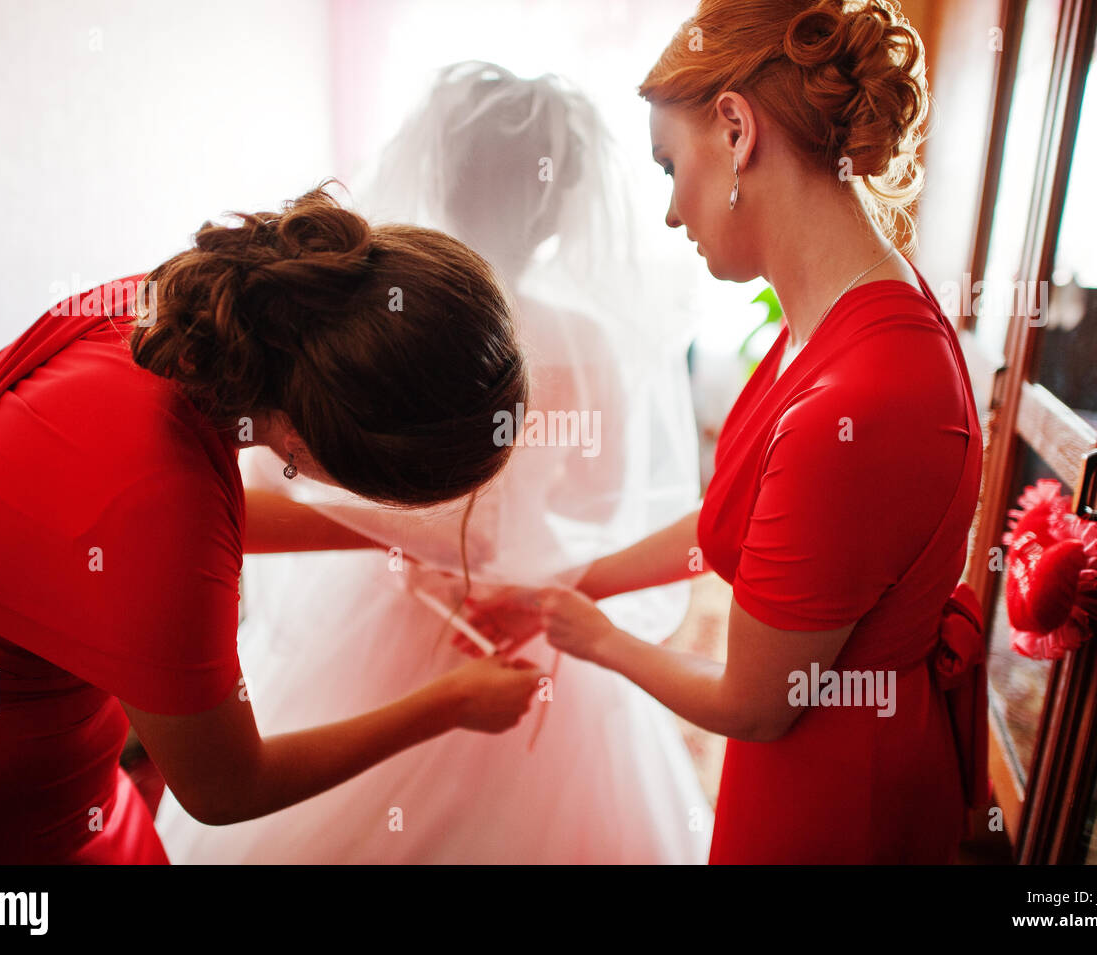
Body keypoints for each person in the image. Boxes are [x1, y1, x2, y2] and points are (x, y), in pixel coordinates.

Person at [470, 0, 989, 864]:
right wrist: (580, 582)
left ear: (737, 130)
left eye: (670, 166)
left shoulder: (856, 400)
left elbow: (754, 702)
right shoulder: (841, 311)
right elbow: (742, 520)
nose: (673, 212)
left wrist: (598, 641)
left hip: (831, 796)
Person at [154, 62, 713, 863]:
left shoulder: (371, 329)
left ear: (441, 179)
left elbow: (264, 481)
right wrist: (480, 546)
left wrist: (403, 533)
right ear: (557, 213)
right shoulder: (585, 342)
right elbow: (601, 499)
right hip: (511, 602)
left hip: (401, 607)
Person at [0, 184, 545, 864]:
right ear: (311, 444)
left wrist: (393, 535)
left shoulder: (180, 312)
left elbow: (174, 531)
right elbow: (225, 787)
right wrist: (450, 704)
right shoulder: (154, 497)